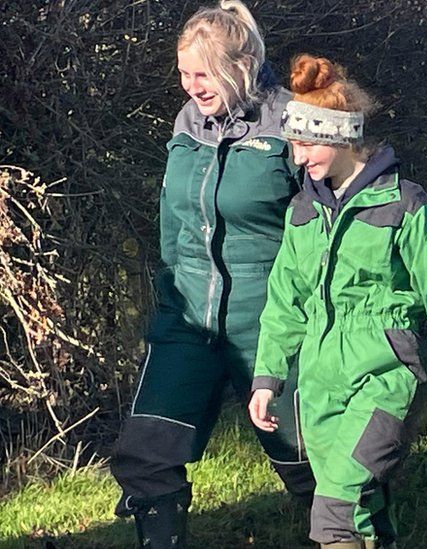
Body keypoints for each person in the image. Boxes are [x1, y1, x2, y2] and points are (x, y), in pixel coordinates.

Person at [248, 54, 427, 549]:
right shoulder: (302, 212)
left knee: (333, 514)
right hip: (320, 385)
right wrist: (268, 378)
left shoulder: (405, 205)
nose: (298, 158)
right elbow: (284, 301)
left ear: (341, 137)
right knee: (365, 514)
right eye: (293, 145)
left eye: (307, 144)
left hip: (387, 376)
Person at [109, 2, 313, 547]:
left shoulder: (292, 122)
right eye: (184, 73)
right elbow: (172, 221)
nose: (192, 86)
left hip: (270, 320)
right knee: (148, 451)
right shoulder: (186, 123)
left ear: (240, 65)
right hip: (188, 315)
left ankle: (346, 524)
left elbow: (323, 233)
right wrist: (169, 296)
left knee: (303, 458)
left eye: (203, 73)